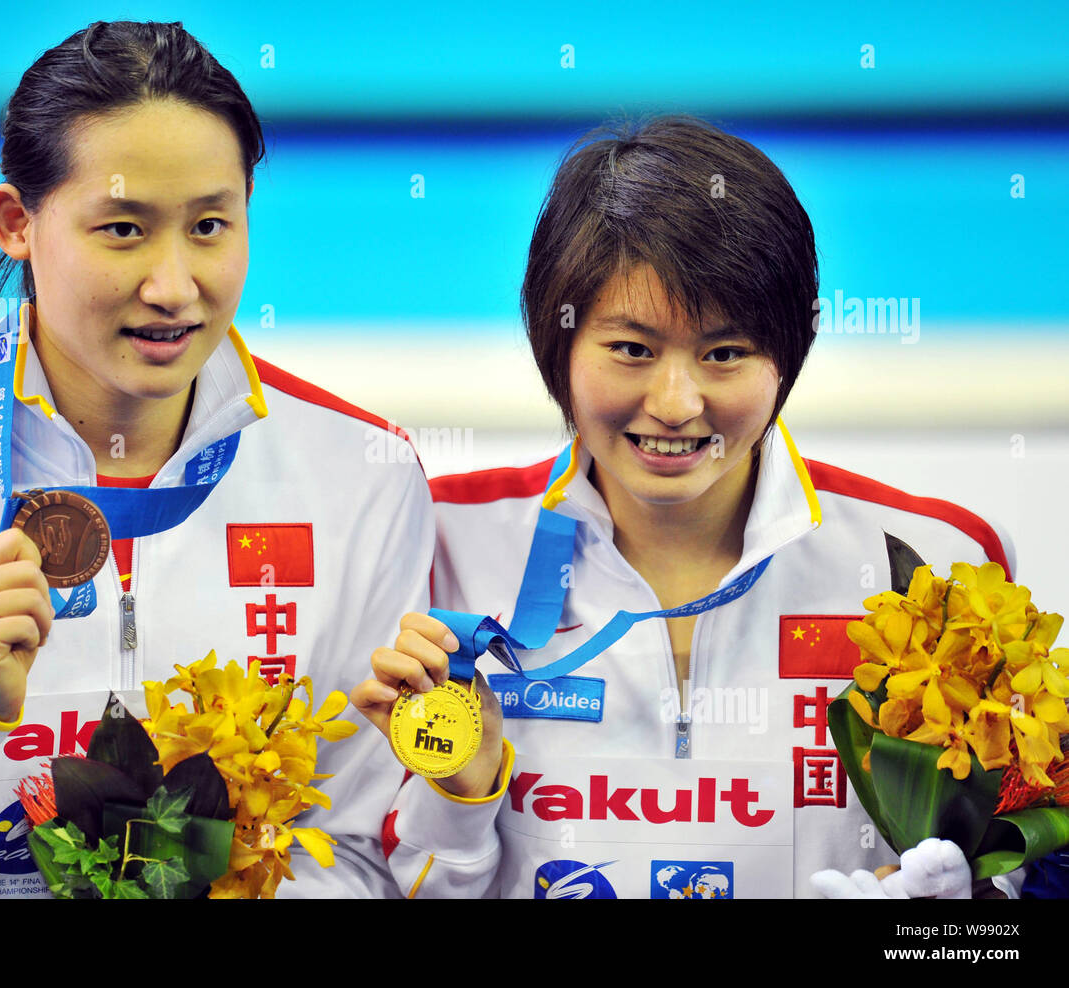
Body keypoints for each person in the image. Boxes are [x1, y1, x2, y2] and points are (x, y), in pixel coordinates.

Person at [0, 20, 430, 898]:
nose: (172, 285)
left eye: (208, 226)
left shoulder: (364, 474)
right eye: (123, 229)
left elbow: (361, 855)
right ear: (17, 223)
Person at [351, 116, 1017, 899]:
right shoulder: (439, 543)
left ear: (786, 357)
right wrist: (462, 791)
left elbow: (1006, 881)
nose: (675, 403)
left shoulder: (935, 564)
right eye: (631, 349)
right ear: (554, 345)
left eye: (724, 353)